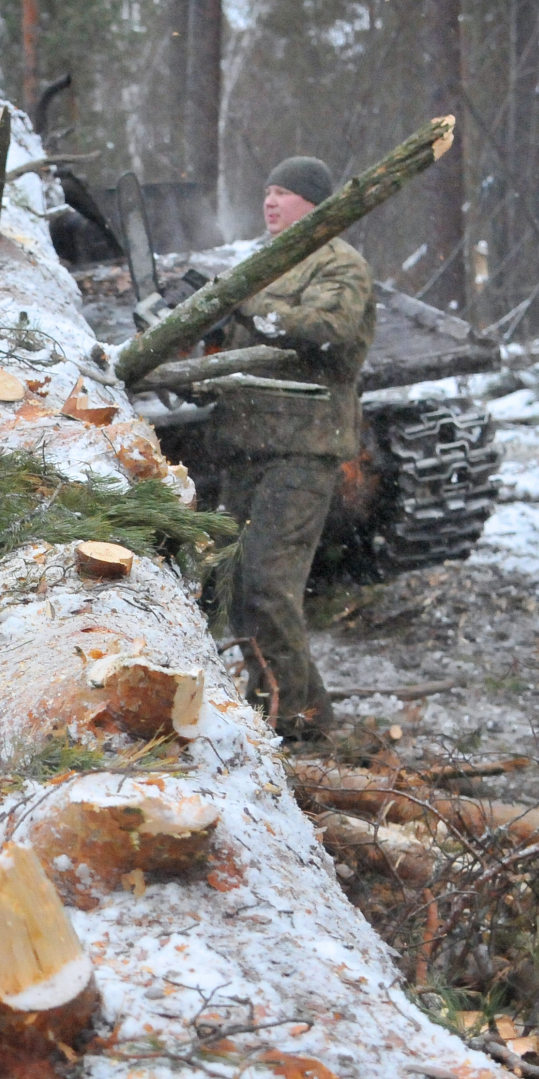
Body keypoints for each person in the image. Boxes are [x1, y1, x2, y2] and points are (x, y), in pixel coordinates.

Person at [211, 155, 376, 739]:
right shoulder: (265, 263)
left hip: (302, 449)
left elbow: (324, 330)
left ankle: (298, 726)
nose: (270, 201)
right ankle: (289, 710)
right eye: (267, 190)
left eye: (284, 192)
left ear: (315, 203)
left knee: (267, 585)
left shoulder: (339, 264)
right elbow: (238, 345)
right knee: (234, 586)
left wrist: (247, 306)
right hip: (246, 445)